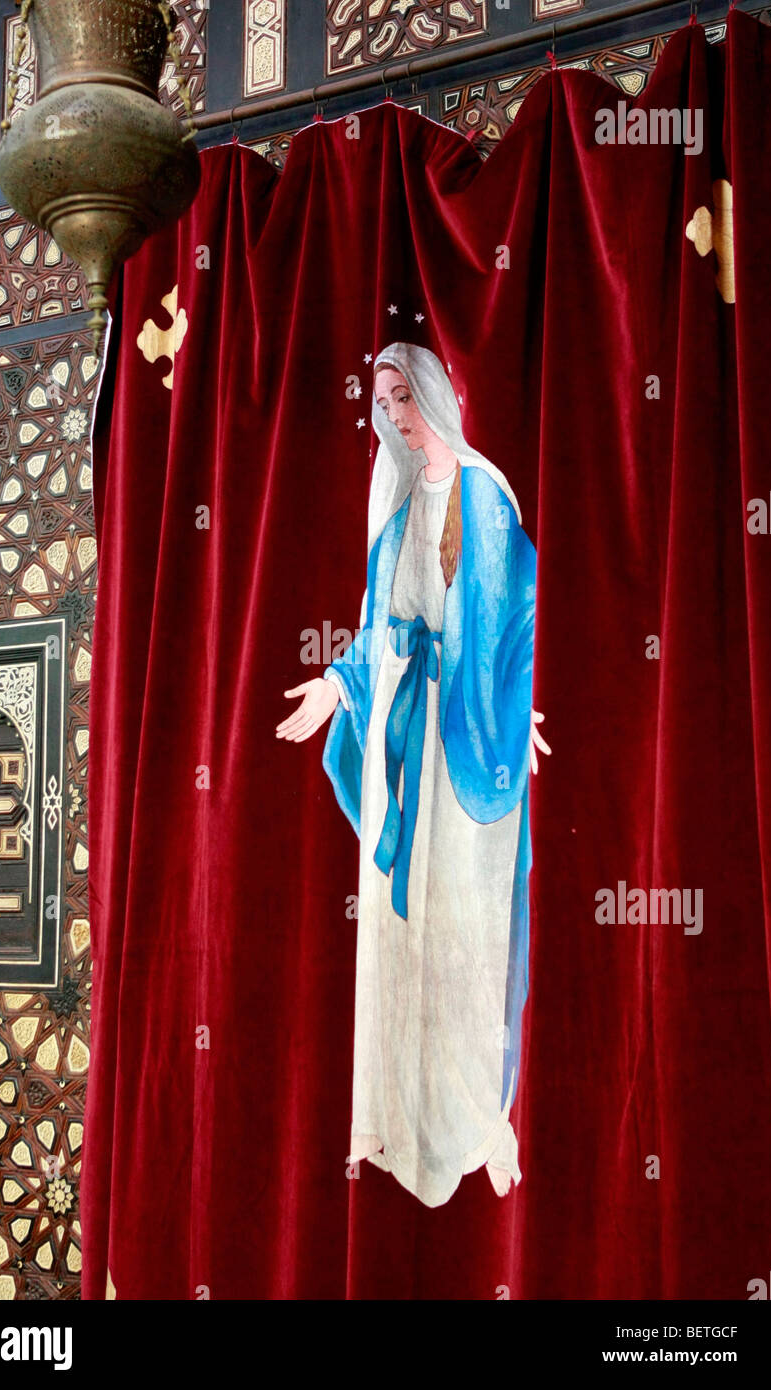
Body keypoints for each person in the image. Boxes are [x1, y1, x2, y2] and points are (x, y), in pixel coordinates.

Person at [277, 342, 548, 1206]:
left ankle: (477, 1118)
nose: (393, 415)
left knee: (465, 935)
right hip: (405, 749)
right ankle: (401, 1118)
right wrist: (334, 683)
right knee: (405, 945)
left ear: (433, 393)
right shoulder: (394, 518)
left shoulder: (485, 497)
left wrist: (519, 706)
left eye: (404, 397)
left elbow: (517, 623)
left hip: (470, 751)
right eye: (383, 402)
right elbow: (377, 633)